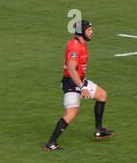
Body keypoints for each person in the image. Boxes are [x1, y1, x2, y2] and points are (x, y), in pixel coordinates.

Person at [45, 20, 113, 151]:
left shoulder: (81, 44)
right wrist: (82, 87)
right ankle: (51, 143)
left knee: (102, 95)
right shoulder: (74, 47)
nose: (92, 32)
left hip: (79, 80)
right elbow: (71, 69)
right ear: (81, 32)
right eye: (89, 30)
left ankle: (99, 130)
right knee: (71, 113)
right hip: (71, 82)